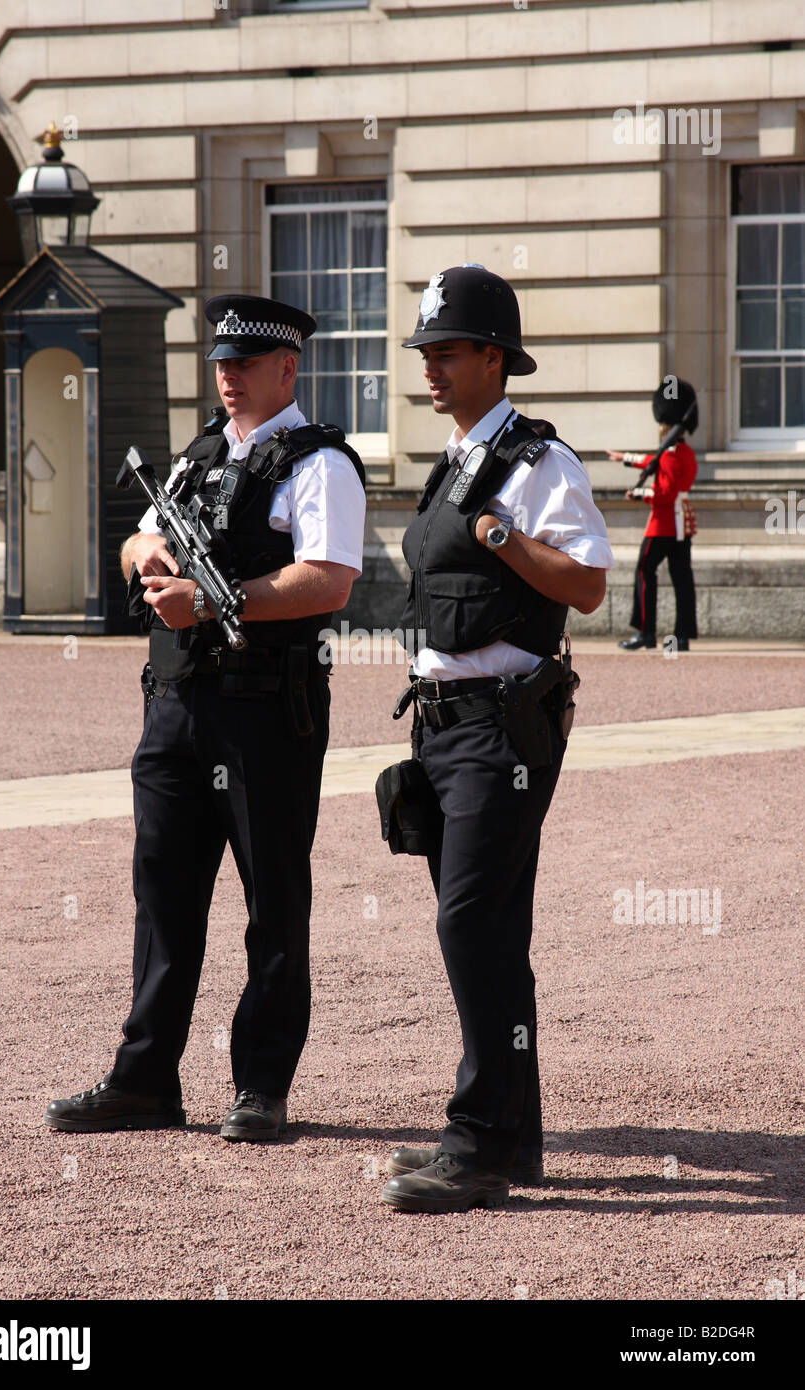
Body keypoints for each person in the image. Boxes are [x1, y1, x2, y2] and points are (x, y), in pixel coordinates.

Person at [45, 294, 366, 1141]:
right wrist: (143, 553)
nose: (228, 377)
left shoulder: (320, 463)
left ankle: (261, 1087)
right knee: (163, 898)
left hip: (266, 714)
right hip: (176, 708)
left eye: (246, 364)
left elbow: (330, 579)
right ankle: (146, 1079)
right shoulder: (194, 459)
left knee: (274, 903)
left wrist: (220, 603)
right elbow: (136, 541)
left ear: (288, 367)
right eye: (221, 364)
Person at [378, 265, 613, 1214]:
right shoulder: (457, 456)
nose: (430, 367)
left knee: (468, 922)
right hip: (446, 727)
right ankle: (515, 1138)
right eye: (425, 352)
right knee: (494, 932)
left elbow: (588, 584)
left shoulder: (537, 462)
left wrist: (505, 539)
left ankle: (474, 1141)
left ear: (493, 358)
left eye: (446, 352)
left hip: (504, 728)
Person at [609, 379, 699, 651]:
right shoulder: (684, 452)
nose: (660, 428)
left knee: (645, 571)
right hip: (681, 525)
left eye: (663, 424)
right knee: (682, 578)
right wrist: (624, 457)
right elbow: (652, 460)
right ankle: (681, 636)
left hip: (663, 524)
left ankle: (646, 632)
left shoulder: (671, 454)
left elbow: (664, 493)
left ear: (669, 425)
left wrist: (638, 494)